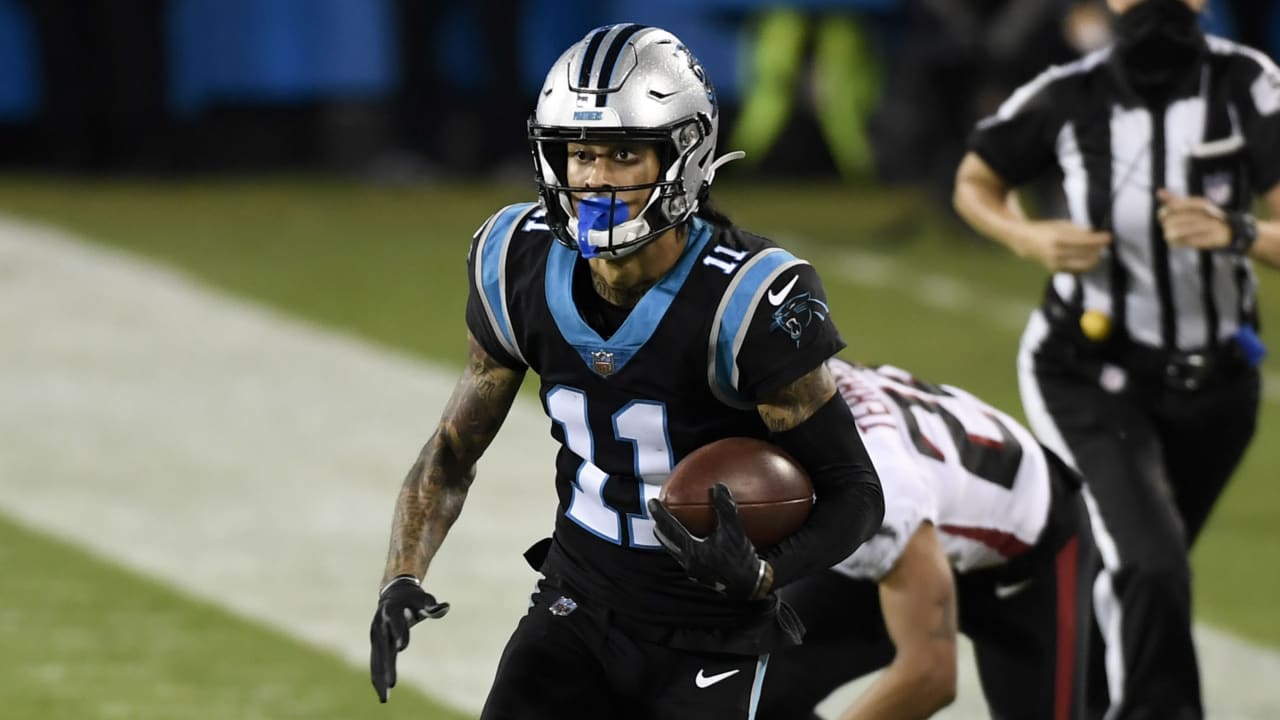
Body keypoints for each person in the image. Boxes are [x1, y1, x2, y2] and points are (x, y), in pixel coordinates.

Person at [366, 24, 885, 719]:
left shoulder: (748, 297)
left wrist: (764, 573)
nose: (596, 178)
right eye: (579, 153)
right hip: (578, 602)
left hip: (712, 631)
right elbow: (453, 452)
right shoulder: (514, 261)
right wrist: (402, 575)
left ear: (686, 154)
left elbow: (855, 491)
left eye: (623, 153)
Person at [952, 0, 1280, 716]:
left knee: (1128, 569)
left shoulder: (1249, 86)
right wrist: (1026, 238)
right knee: (1150, 565)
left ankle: (1059, 693)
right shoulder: (1066, 95)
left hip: (1218, 385)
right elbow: (975, 180)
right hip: (1089, 374)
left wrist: (1239, 230)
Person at [756, 358, 1095, 720]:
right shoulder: (792, 383)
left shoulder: (876, 489)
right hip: (913, 525)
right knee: (748, 686)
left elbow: (930, 676)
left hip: (1027, 546)